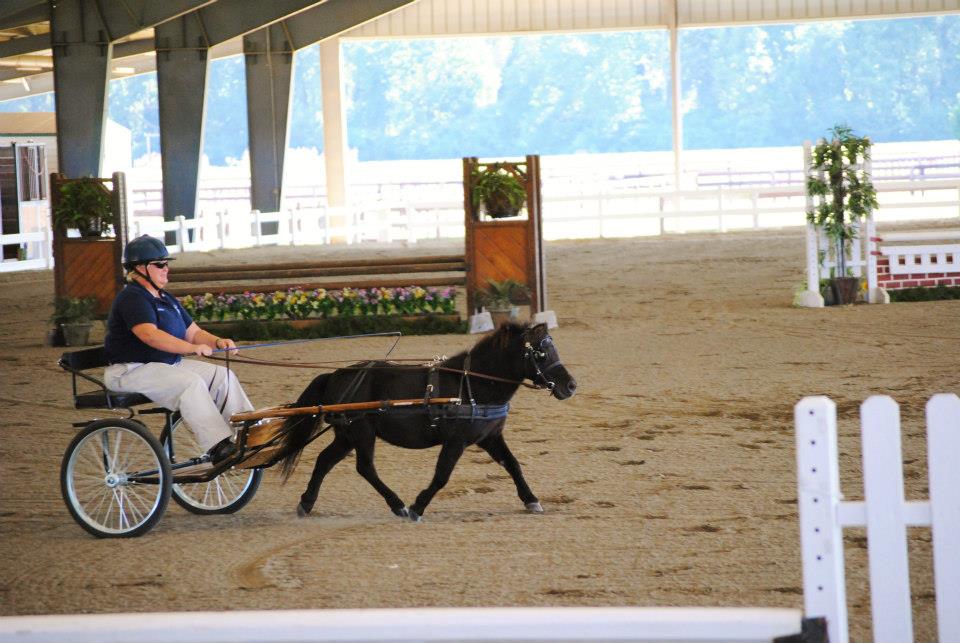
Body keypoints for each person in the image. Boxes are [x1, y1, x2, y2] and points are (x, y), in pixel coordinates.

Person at [103, 235, 253, 464]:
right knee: (190, 383)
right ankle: (217, 446)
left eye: (166, 264)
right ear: (139, 268)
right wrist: (192, 348)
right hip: (131, 370)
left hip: (165, 365)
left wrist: (218, 341)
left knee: (223, 376)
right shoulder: (132, 298)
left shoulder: (166, 299)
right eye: (160, 265)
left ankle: (249, 433)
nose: (166, 269)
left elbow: (193, 332)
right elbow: (150, 335)